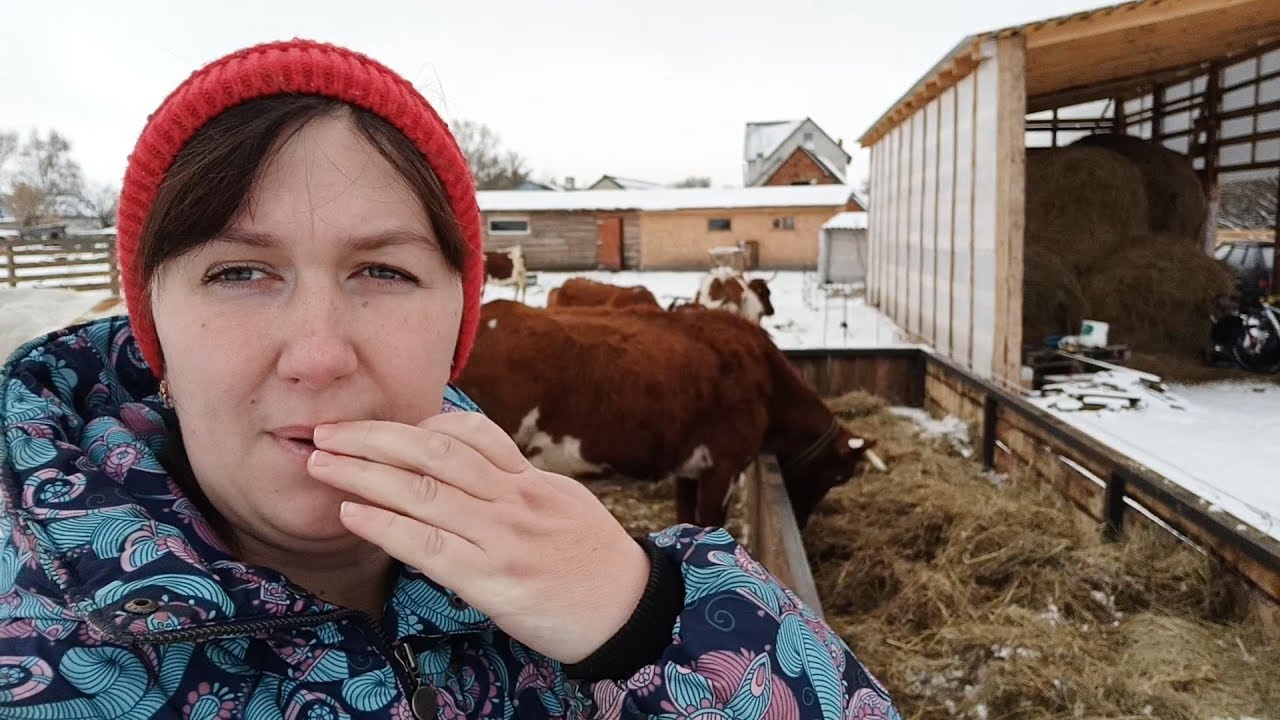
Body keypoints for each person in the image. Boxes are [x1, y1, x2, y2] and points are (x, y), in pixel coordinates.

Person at [0, 39, 900, 719]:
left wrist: (650, 621)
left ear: (458, 321)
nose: (318, 355)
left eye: (384, 272)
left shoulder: (600, 614)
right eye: (238, 272)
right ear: (153, 322)